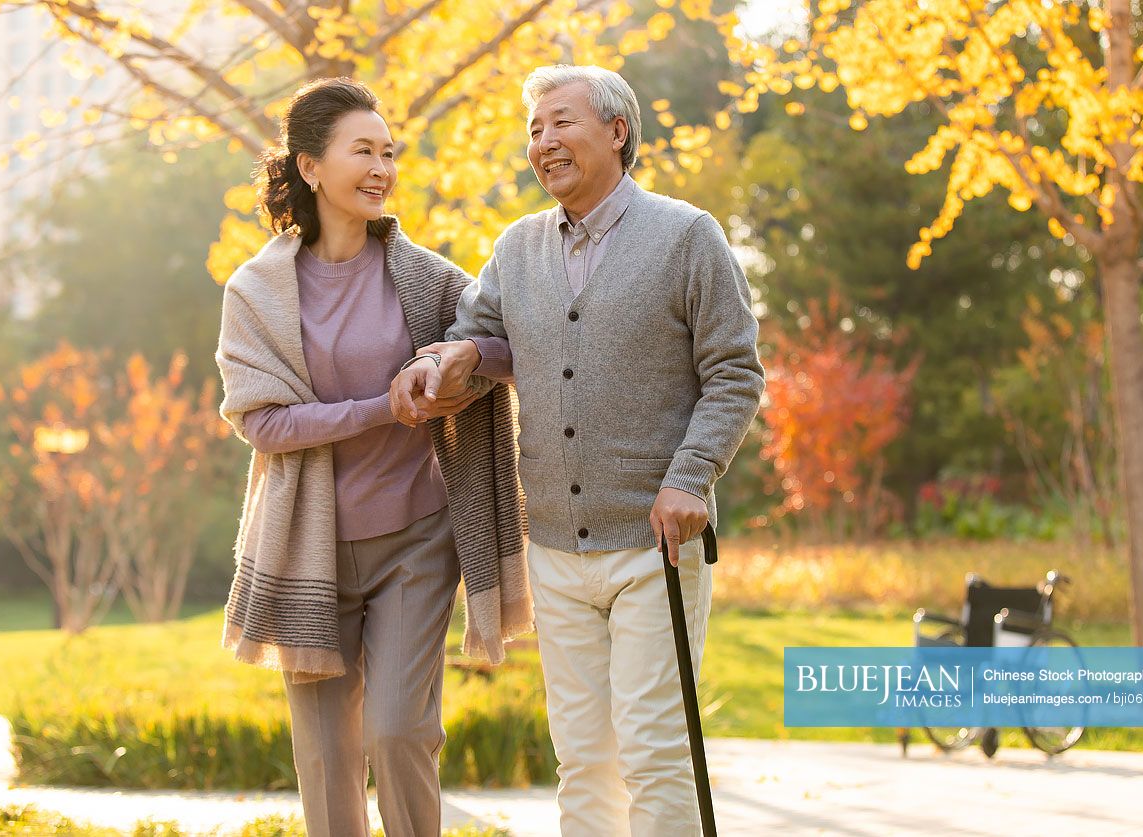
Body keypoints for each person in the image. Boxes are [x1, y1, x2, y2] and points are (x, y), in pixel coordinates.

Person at [390, 65, 764, 836]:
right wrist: (453, 360)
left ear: (617, 131)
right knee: (582, 757)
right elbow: (481, 337)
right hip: (554, 542)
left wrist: (691, 478)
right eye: (533, 129)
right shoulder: (520, 245)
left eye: (560, 122)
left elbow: (734, 372)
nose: (543, 142)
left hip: (654, 539)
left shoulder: (686, 235)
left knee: (655, 751)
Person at [214, 77, 532, 837]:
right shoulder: (257, 290)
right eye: (362, 150)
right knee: (326, 757)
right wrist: (381, 407)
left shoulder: (425, 276)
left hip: (415, 541)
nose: (381, 166)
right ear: (311, 166)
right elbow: (263, 422)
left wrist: (459, 356)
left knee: (398, 730)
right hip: (307, 548)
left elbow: (506, 345)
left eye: (388, 151)